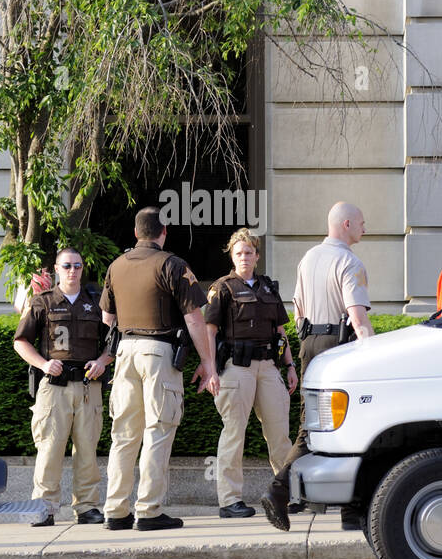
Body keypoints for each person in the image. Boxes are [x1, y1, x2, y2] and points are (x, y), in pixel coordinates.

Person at [100, 206, 219, 531]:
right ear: (163, 232)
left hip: (125, 352)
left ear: (136, 233)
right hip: (158, 353)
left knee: (123, 434)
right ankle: (149, 511)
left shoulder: (116, 266)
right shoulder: (172, 265)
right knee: (158, 430)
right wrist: (207, 363)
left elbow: (106, 319)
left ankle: (115, 510)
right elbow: (195, 318)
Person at [261, 201, 373, 532]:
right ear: (348, 224)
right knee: (350, 426)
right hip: (339, 349)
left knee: (312, 426)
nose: (366, 228)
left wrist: (309, 343)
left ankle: (346, 508)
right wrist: (370, 354)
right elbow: (358, 318)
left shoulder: (308, 258)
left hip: (311, 346)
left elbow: (298, 312)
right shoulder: (350, 262)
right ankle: (287, 490)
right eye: (363, 223)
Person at [12, 247, 112, 527]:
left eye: (77, 266)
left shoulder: (96, 303)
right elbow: (21, 341)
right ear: (56, 269)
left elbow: (112, 343)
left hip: (88, 386)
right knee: (49, 450)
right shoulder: (41, 301)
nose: (72, 271)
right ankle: (44, 507)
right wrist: (44, 364)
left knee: (88, 450)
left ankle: (88, 506)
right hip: (54, 387)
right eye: (66, 266)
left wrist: (103, 361)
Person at [203, 228, 297, 519]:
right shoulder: (223, 288)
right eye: (238, 253)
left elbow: (280, 331)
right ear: (232, 256)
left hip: (268, 367)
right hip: (236, 368)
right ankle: (230, 500)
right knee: (233, 434)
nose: (244, 257)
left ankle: (288, 495)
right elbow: (209, 331)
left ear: (257, 255)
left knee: (279, 434)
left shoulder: (269, 287)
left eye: (248, 252)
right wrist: (209, 370)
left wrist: (290, 365)